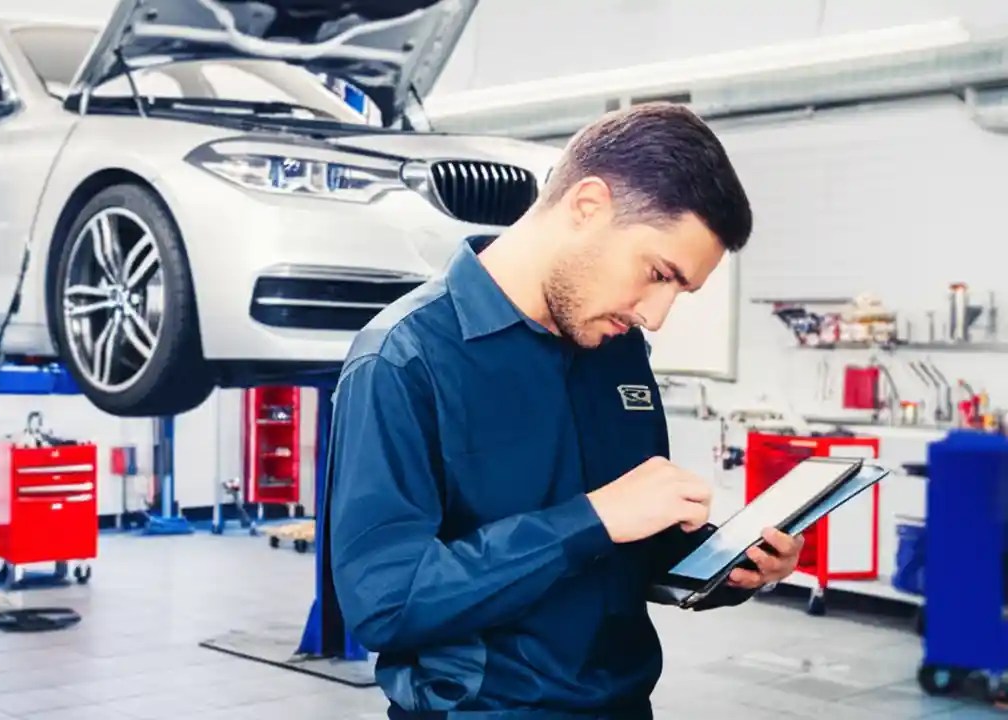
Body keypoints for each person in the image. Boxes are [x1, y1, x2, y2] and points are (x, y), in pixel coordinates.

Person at [324, 103, 805, 720]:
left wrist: (725, 567)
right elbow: (386, 601)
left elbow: (627, 544)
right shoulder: (403, 358)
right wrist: (593, 519)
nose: (654, 315)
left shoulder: (616, 351)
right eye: (657, 274)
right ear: (587, 207)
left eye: (679, 292)